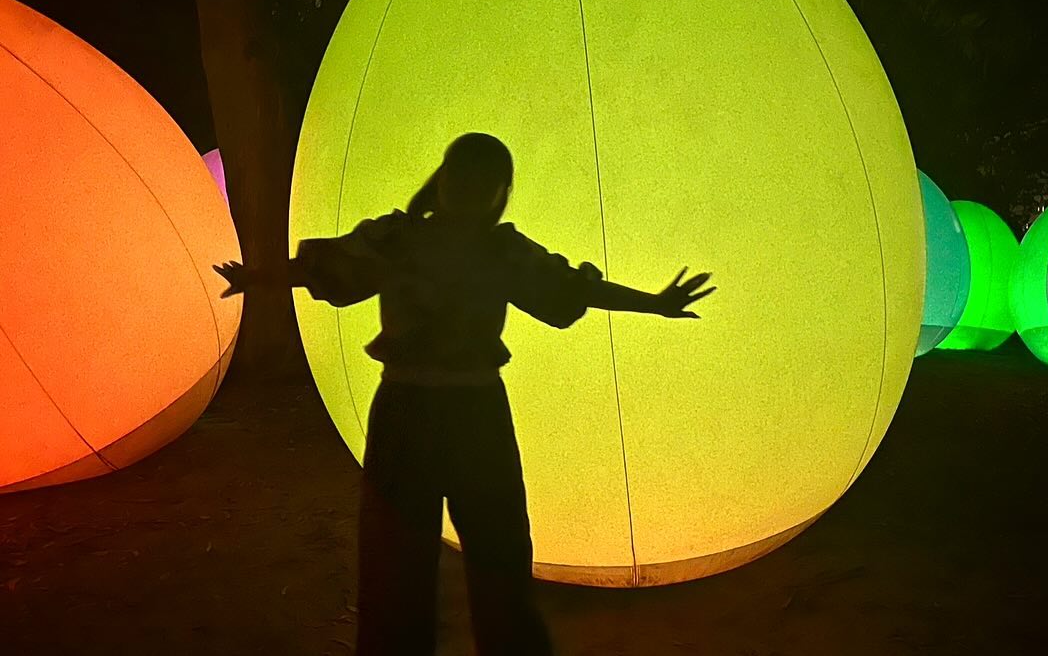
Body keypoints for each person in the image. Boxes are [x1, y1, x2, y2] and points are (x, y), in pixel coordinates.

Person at [214, 132, 715, 656]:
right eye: (464, 175)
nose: (470, 189)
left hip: (448, 414)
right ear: (447, 180)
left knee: (458, 555)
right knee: (421, 557)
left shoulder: (450, 248)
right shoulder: (419, 243)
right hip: (438, 414)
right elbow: (572, 289)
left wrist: (654, 304)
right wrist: (257, 278)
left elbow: (573, 289)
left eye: (481, 180)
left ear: (495, 191)